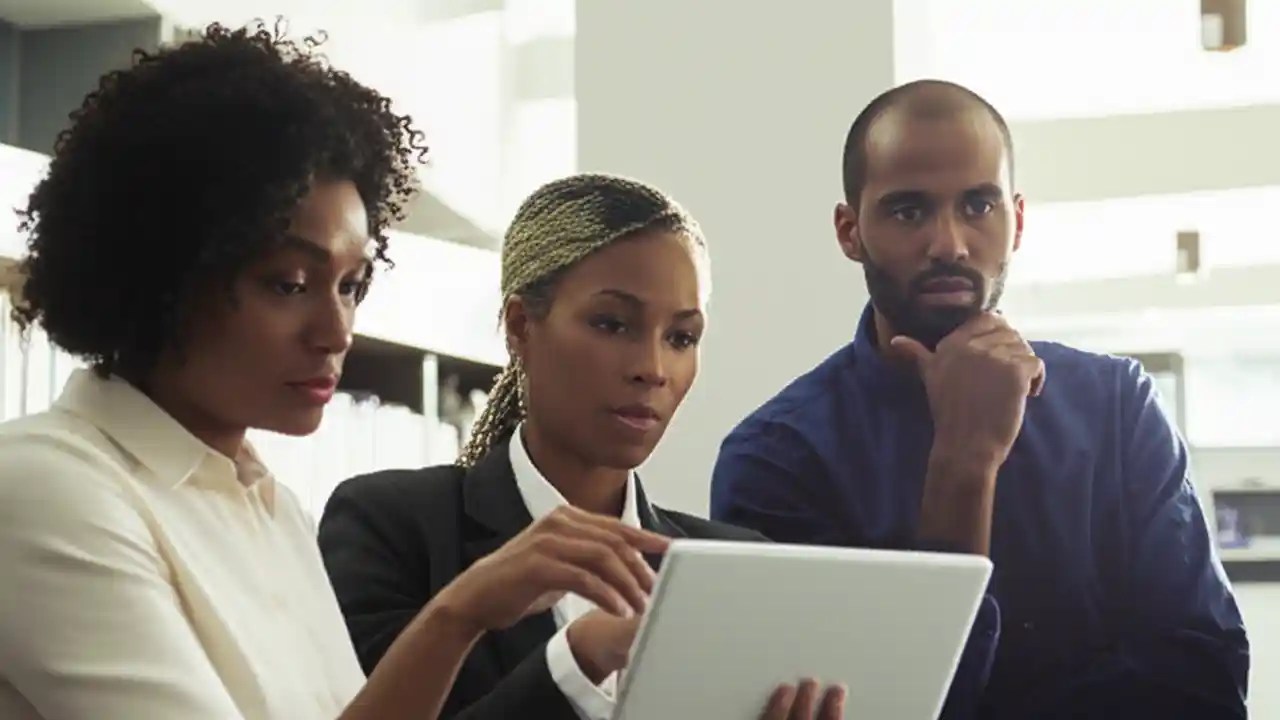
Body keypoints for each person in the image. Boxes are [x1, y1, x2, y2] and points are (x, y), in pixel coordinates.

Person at [0, 22, 676, 720]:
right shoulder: (43, 487)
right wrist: (460, 611)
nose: (336, 332)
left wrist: (474, 619)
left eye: (351, 286)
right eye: (290, 284)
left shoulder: (270, 508)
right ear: (161, 273)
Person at [710, 79, 1250, 719]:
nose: (950, 243)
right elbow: (875, 706)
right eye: (909, 211)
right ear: (849, 231)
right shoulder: (777, 457)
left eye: (978, 206)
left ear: (1016, 221)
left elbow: (1207, 684)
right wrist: (963, 466)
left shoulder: (1115, 408)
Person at [318, 173, 847, 720]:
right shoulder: (392, 528)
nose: (652, 368)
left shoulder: (740, 566)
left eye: (682, 337)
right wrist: (573, 663)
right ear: (521, 326)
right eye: (612, 324)